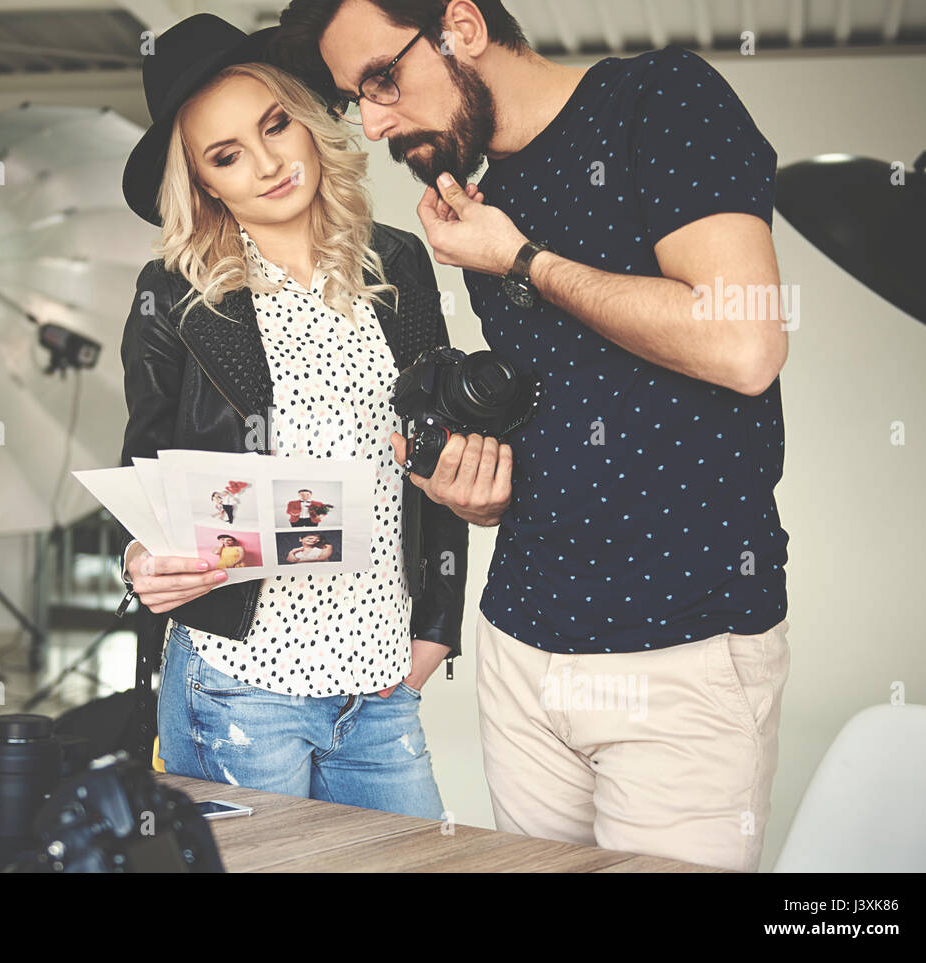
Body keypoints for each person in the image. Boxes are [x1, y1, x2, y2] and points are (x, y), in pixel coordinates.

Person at [273, 0, 791, 871]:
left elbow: (742, 346)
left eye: (383, 78)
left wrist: (521, 259)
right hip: (521, 648)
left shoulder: (661, 97)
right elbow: (574, 410)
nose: (372, 120)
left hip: (686, 650)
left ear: (463, 27)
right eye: (351, 99)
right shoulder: (482, 201)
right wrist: (479, 492)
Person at [115, 14, 469, 819]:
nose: (268, 163)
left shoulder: (399, 264)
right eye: (227, 155)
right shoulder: (172, 293)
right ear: (203, 182)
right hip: (240, 685)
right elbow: (143, 482)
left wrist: (436, 628)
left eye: (275, 125)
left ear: (307, 121)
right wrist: (141, 557)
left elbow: (438, 450)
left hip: (380, 686)